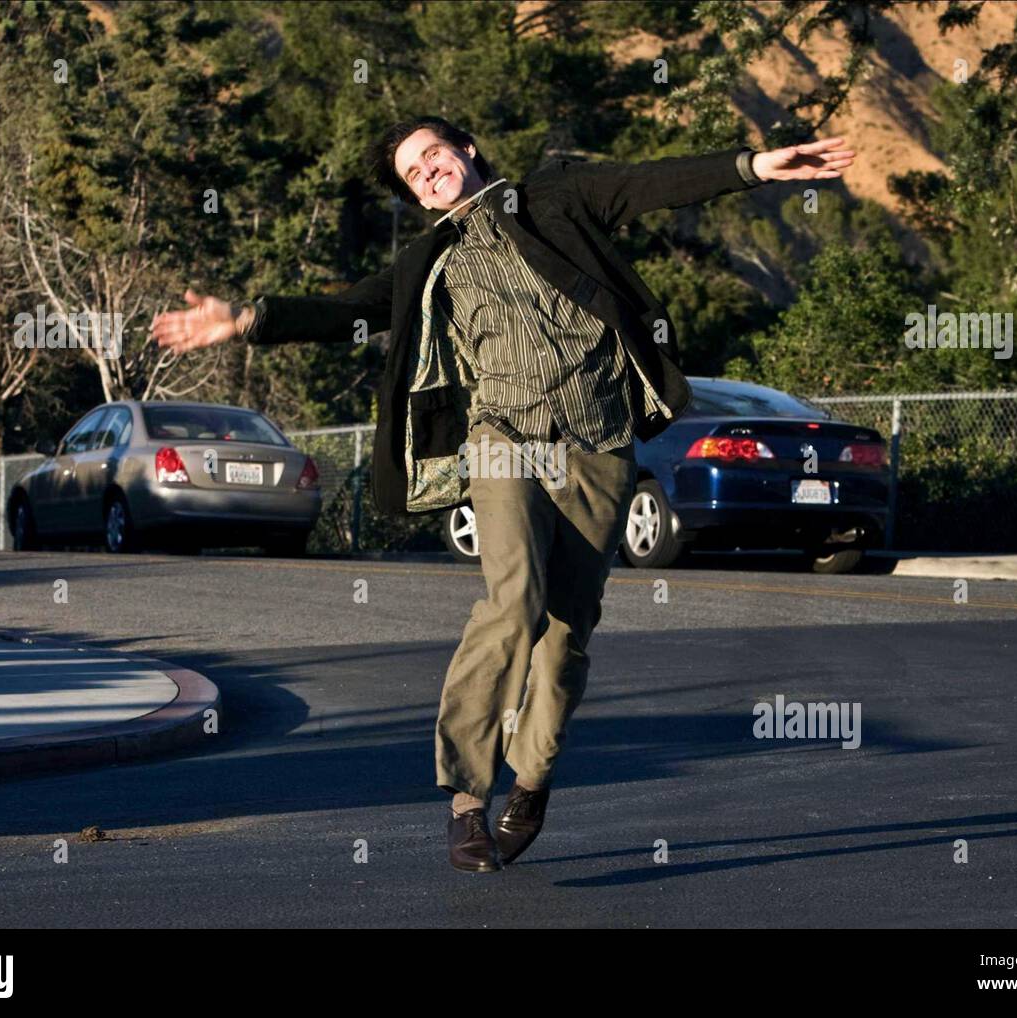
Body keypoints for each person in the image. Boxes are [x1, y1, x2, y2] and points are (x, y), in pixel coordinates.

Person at [152, 116, 855, 873]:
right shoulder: (430, 257)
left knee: (565, 631)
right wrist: (246, 318)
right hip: (504, 439)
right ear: (415, 199)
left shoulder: (554, 199)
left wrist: (753, 165)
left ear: (467, 151)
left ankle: (533, 781)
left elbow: (649, 181)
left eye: (433, 154)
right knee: (514, 601)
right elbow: (350, 308)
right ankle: (464, 799)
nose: (425, 171)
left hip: (597, 443)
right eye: (411, 172)